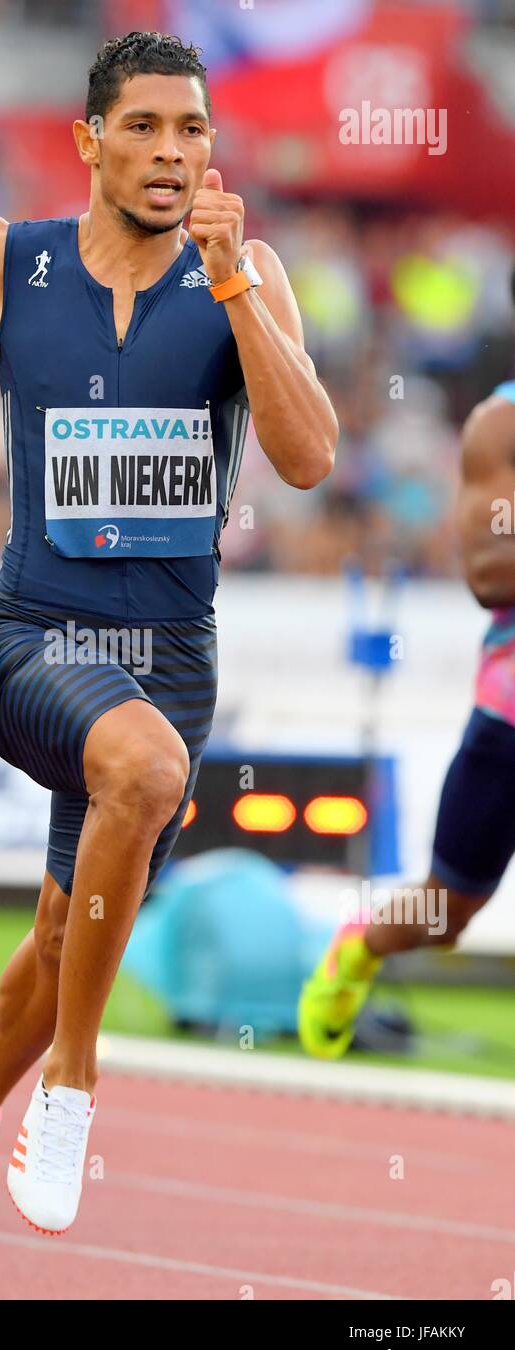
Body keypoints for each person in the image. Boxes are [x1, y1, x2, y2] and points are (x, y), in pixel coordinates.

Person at [0, 31, 337, 1239]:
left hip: (170, 656)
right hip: (26, 632)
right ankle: (73, 1082)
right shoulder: (5, 259)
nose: (173, 153)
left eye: (194, 131)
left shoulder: (246, 272)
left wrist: (231, 289)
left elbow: (310, 456)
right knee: (149, 771)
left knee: (68, 932)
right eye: (146, 127)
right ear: (89, 141)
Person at [299, 281, 515, 1060]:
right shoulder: (502, 424)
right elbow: (490, 572)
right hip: (509, 715)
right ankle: (358, 948)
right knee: (449, 913)